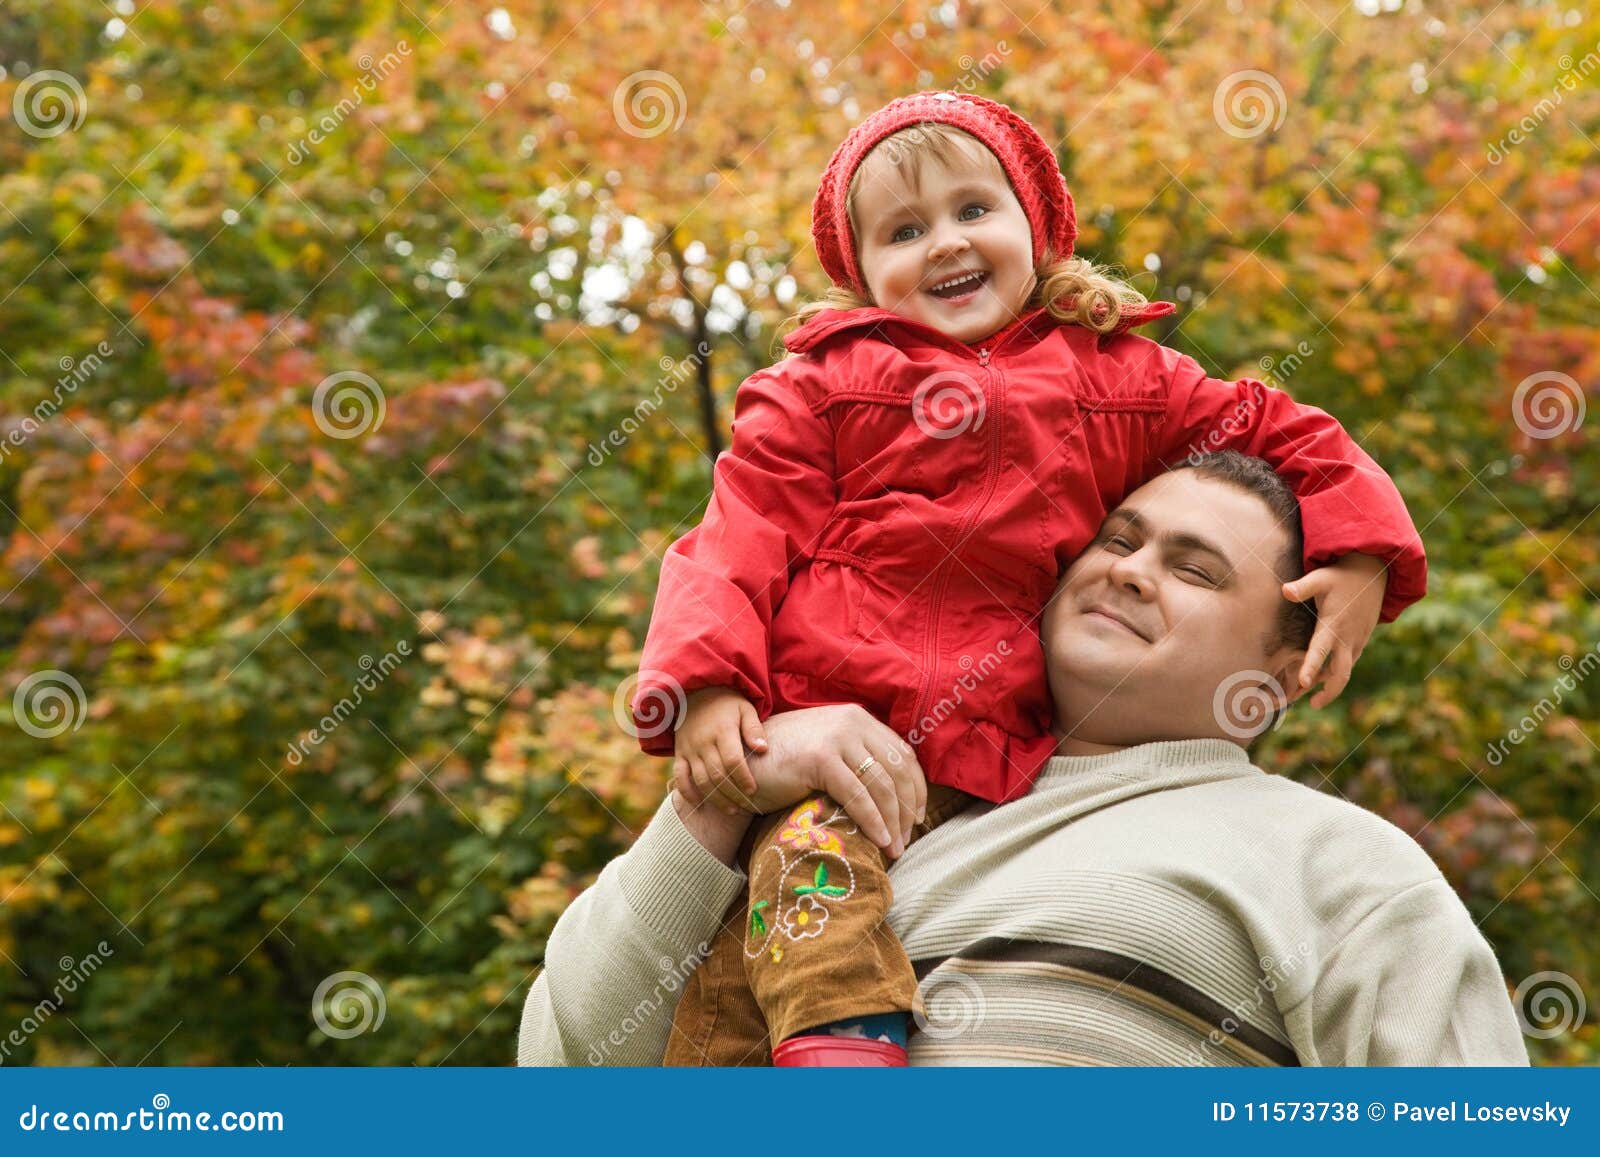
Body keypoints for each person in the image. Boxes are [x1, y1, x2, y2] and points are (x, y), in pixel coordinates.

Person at [627, 90, 1430, 1066]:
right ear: (863, 273)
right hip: (833, 711)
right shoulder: (826, 387)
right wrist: (710, 687)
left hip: (998, 735)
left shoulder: (1118, 380)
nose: (944, 243)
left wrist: (1361, 550)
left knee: (781, 922)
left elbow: (1276, 427)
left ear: (1036, 227)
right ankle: (842, 1049)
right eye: (903, 230)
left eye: (973, 210)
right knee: (791, 893)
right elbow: (734, 536)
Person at [517, 453, 1529, 1067]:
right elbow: (564, 1062)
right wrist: (735, 786)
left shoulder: (1336, 865)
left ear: (1287, 657)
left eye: (1191, 567)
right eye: (1118, 538)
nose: (1129, 570)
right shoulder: (871, 815)